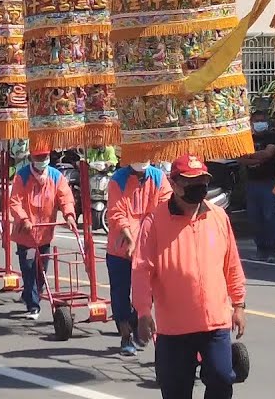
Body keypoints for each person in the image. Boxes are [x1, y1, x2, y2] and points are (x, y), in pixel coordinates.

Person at [133, 153, 246, 399]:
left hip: (215, 323)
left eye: (202, 182)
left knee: (221, 379)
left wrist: (238, 304)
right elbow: (142, 270)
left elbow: (232, 264)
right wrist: (143, 312)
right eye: (190, 182)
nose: (198, 188)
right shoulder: (154, 222)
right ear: (173, 184)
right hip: (175, 329)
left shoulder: (218, 216)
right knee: (175, 391)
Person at [104, 157, 171, 356]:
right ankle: (125, 336)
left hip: (148, 247)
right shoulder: (118, 180)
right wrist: (129, 238)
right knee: (120, 294)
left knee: (145, 294)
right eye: (137, 173)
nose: (140, 175)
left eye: (143, 172)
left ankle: (137, 325)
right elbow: (117, 213)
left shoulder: (158, 178)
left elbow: (164, 207)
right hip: (121, 249)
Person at [8, 149, 76, 320]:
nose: (42, 160)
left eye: (44, 157)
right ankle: (33, 305)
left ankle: (31, 294)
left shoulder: (56, 176)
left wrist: (69, 215)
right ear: (31, 158)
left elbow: (65, 197)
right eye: (38, 157)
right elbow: (15, 202)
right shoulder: (22, 176)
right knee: (29, 268)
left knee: (41, 270)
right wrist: (23, 219)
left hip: (45, 233)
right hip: (26, 234)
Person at [241, 110, 275, 262]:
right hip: (251, 183)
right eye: (256, 120)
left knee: (270, 216)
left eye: (261, 120)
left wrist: (250, 156)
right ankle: (261, 250)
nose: (259, 123)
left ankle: (273, 250)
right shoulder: (247, 138)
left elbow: (268, 153)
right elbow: (241, 158)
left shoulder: (272, 136)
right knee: (255, 218)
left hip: (268, 183)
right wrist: (256, 159)